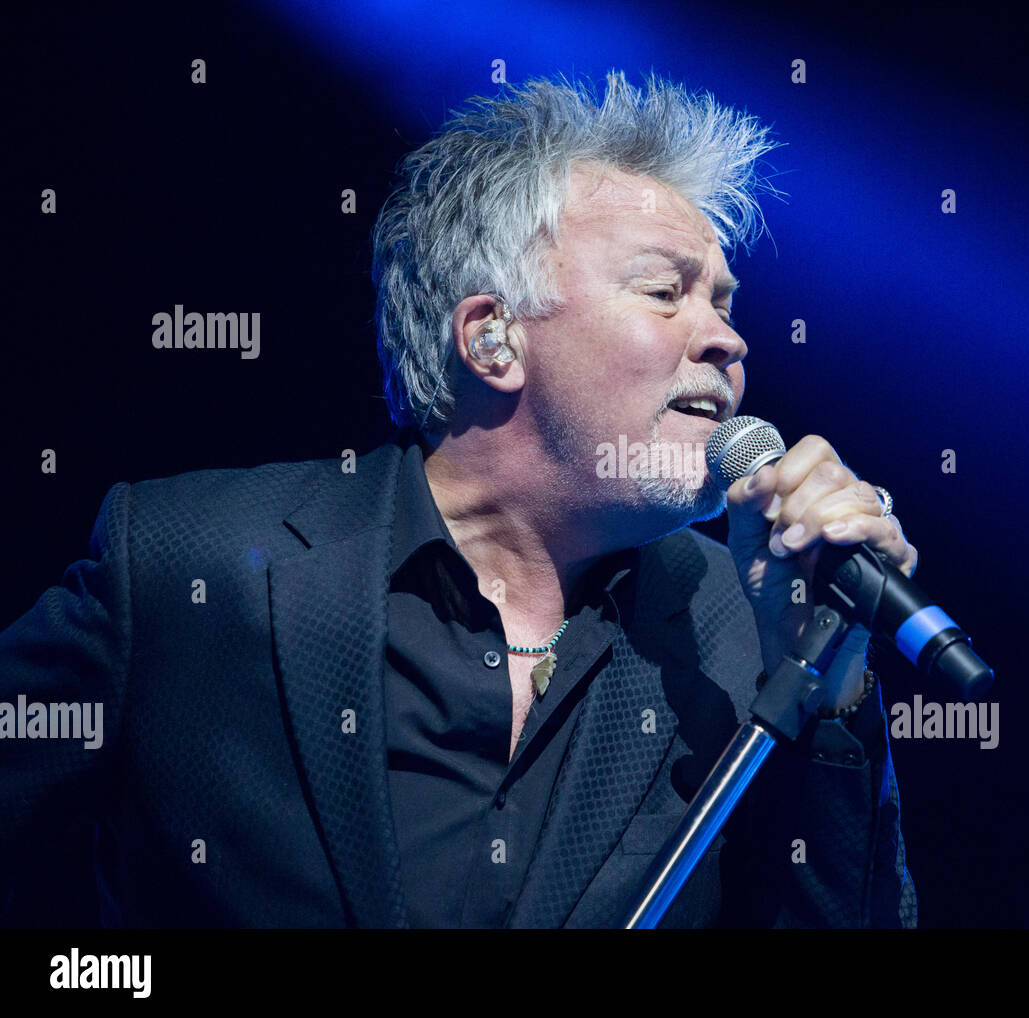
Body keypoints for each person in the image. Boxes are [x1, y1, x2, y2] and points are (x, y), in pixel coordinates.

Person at [0, 71, 918, 928]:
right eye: (664, 292)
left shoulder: (739, 628)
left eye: (725, 304)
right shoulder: (185, 564)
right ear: (492, 341)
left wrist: (825, 691)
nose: (726, 341)